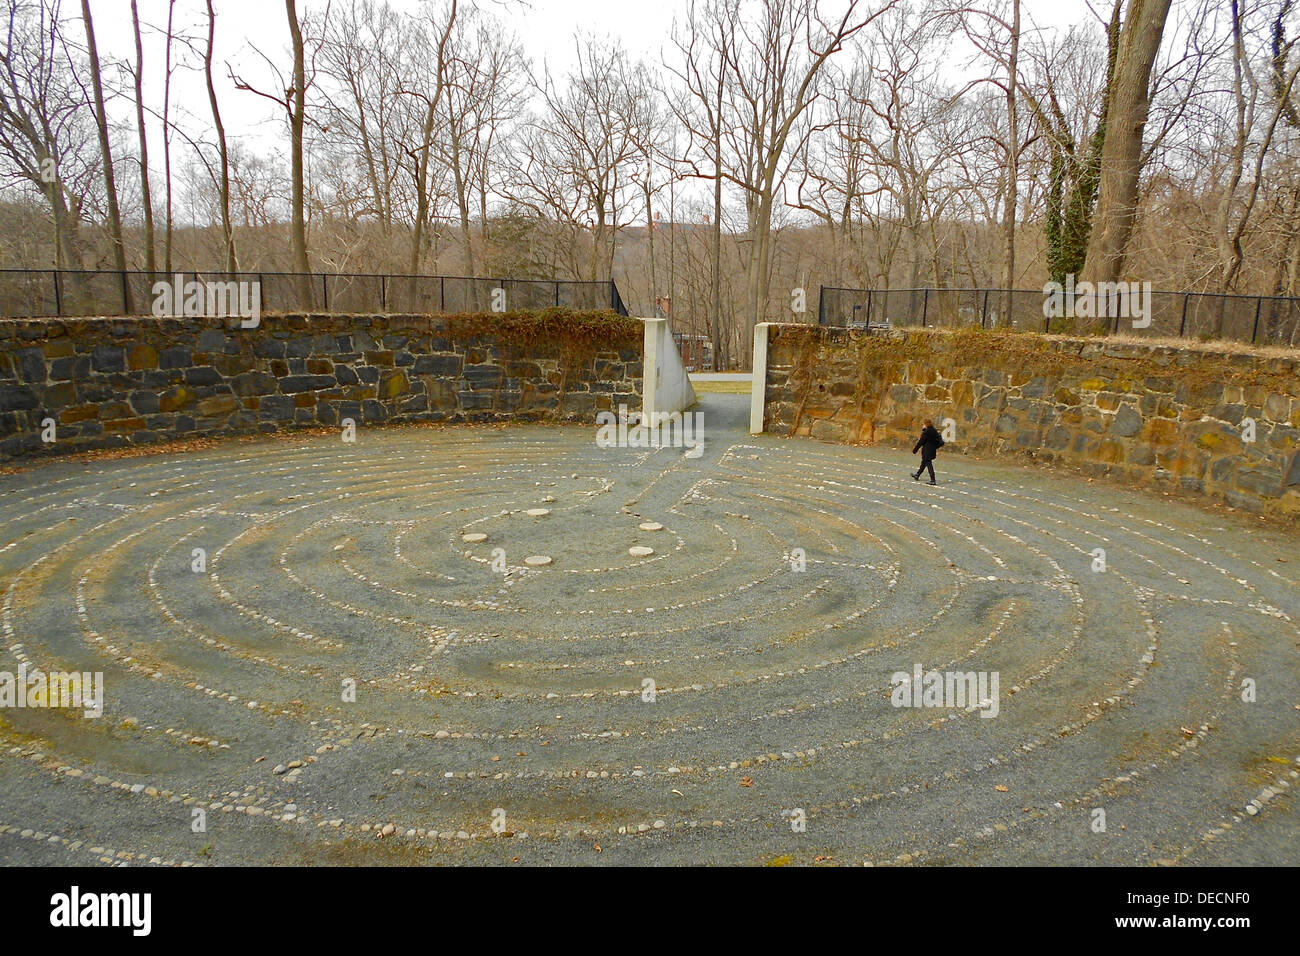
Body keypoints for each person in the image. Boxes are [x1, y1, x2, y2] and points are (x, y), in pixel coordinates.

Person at [911, 419, 944, 484]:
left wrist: (915, 450)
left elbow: (920, 442)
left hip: (927, 451)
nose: (922, 426)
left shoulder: (926, 433)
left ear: (926, 424)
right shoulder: (934, 431)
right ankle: (917, 475)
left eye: (923, 424)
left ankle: (933, 480)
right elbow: (940, 441)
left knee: (929, 464)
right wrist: (935, 447)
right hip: (932, 450)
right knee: (924, 463)